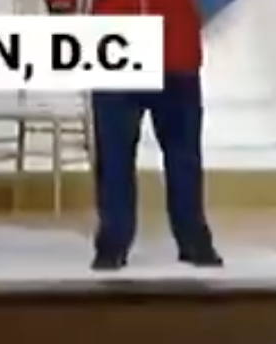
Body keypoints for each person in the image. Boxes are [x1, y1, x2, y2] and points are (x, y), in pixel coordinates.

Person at [86, 0, 221, 272]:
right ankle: (113, 242)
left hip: (175, 51)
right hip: (116, 48)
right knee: (114, 158)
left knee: (183, 158)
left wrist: (194, 14)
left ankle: (193, 238)